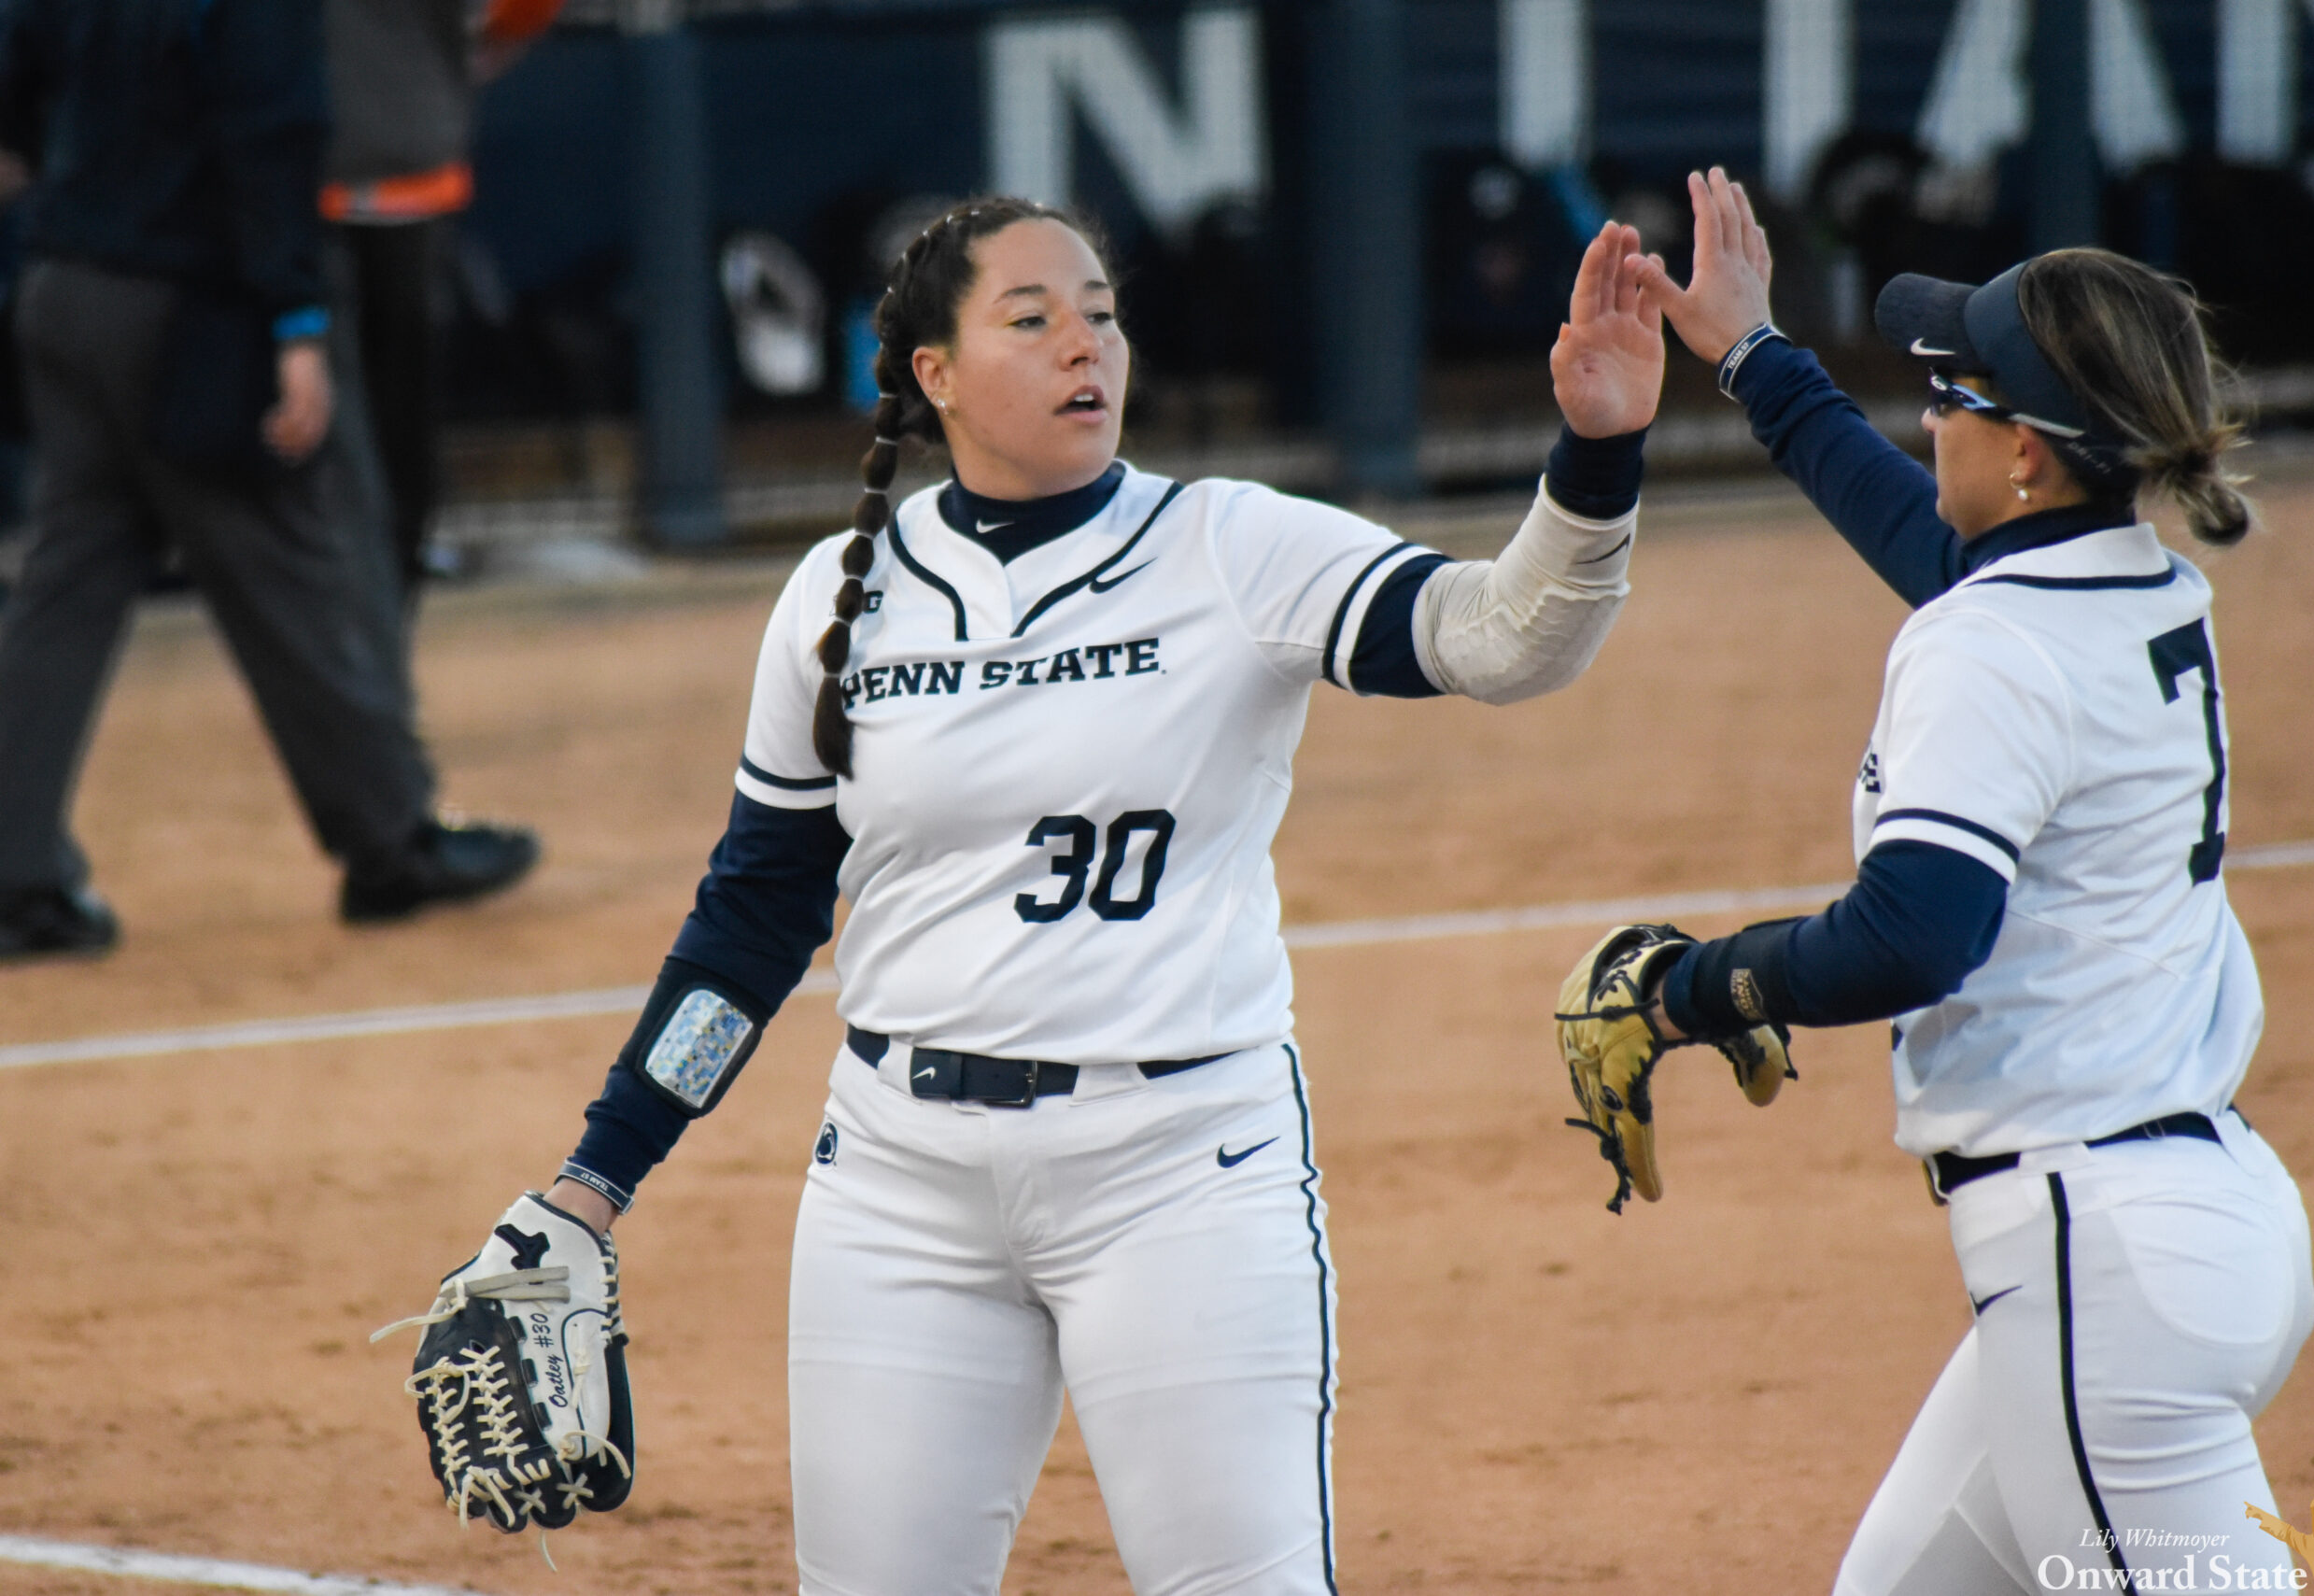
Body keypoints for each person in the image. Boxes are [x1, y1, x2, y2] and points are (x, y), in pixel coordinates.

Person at [431, 196, 1665, 1592]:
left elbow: (1503, 639)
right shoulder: (843, 595)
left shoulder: (1230, 547)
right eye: (1032, 319)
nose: (1087, 343)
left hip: (1178, 1171)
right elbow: (753, 922)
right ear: (936, 375)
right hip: (895, 1186)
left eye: (1102, 313)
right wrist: (596, 1178)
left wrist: (1597, 453)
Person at [1609, 169, 2314, 1592]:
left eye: (1952, 394)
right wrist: (1755, 357)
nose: (1927, 416)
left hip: (2100, 1270)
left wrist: (1690, 986)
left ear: (2029, 455)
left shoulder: (1990, 644)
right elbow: (1941, 554)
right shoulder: (2138, 583)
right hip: (2184, 1226)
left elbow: (1914, 936)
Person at [0, 0, 538, 959]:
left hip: (66, 284)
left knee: (66, 585)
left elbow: (14, 97)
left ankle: (14, 871)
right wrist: (296, 321)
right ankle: (392, 843)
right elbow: (275, 127)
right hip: (193, 304)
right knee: (296, 569)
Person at [320, 0, 564, 598]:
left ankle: (380, 584)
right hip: (347, 168)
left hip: (378, 173)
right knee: (362, 409)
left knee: (366, 408)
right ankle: (378, 583)